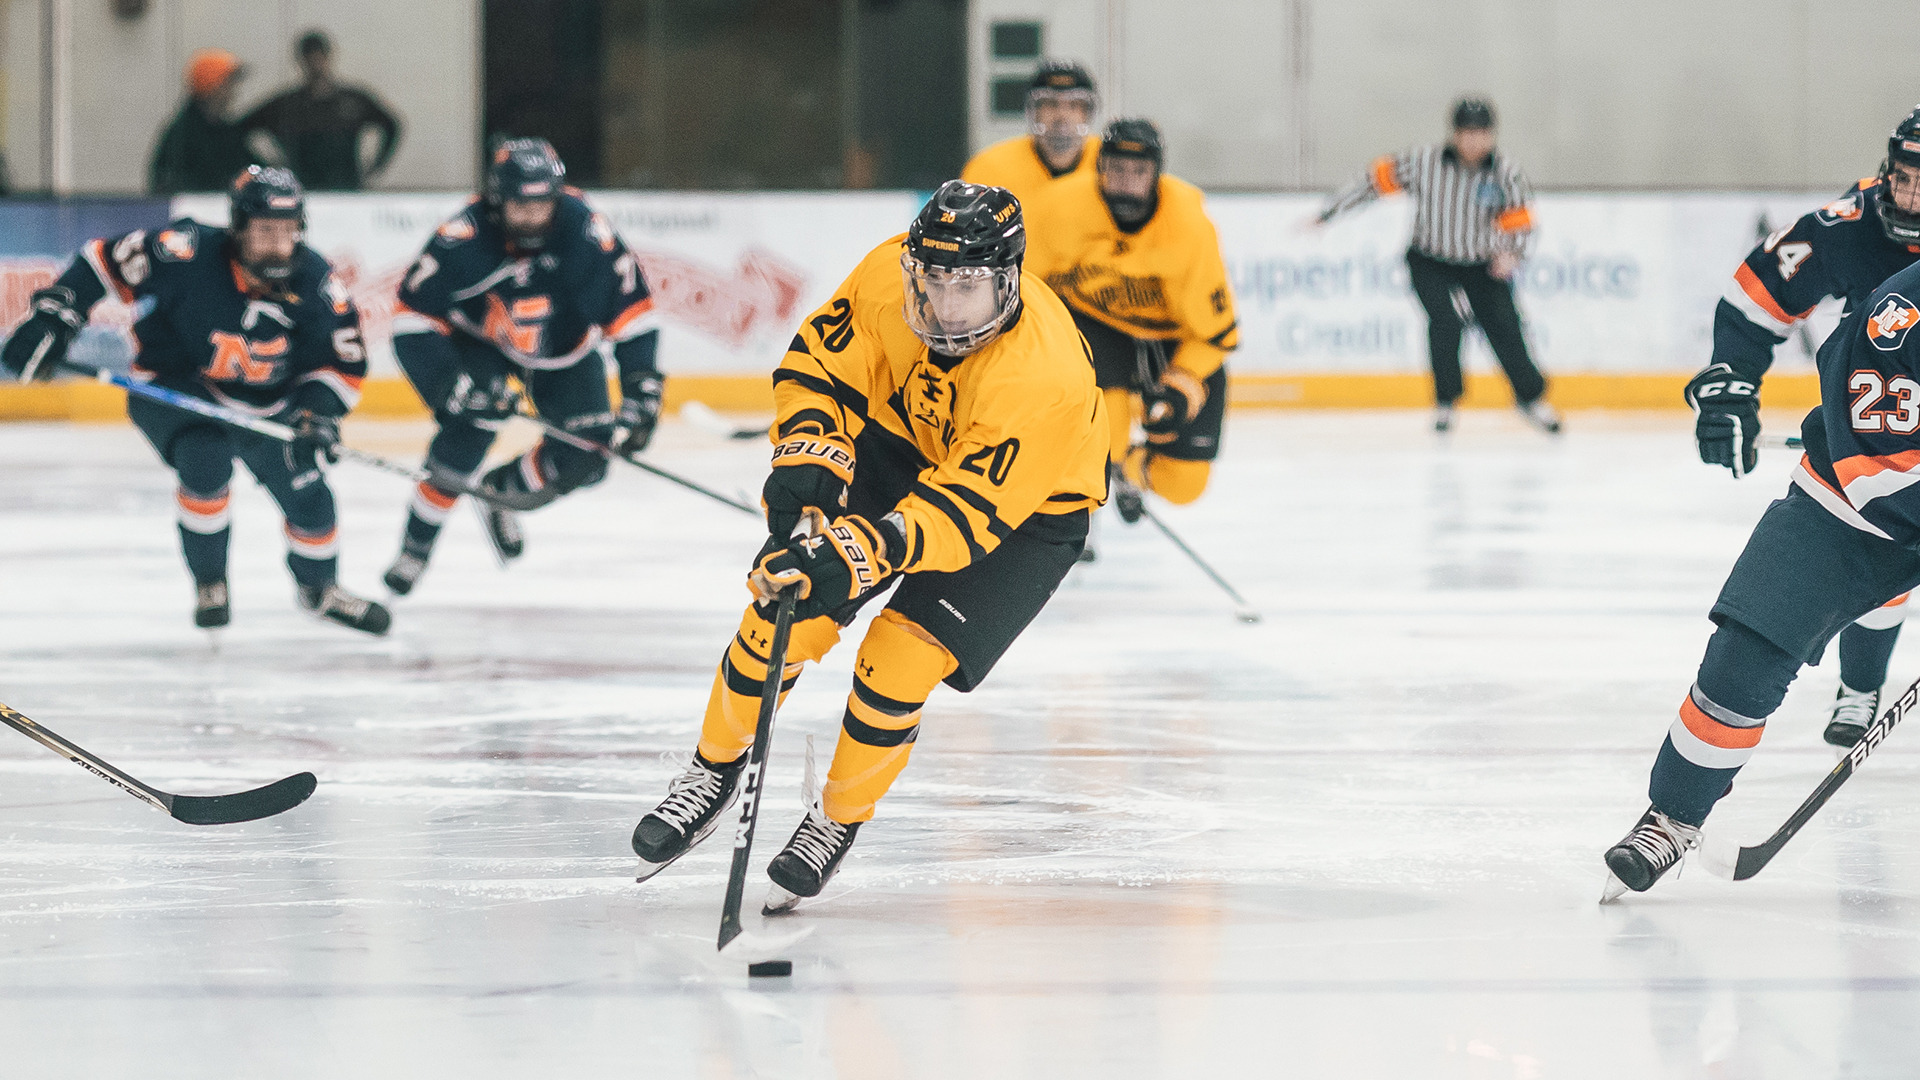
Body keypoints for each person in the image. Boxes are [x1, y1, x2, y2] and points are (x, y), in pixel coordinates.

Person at [627, 181, 1108, 913]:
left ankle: (837, 820)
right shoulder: (888, 274)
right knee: (782, 607)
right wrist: (808, 464)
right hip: (907, 442)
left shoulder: (1044, 379)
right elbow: (821, 369)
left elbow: (958, 519)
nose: (944, 306)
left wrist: (857, 549)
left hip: (1029, 510)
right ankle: (711, 770)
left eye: (968, 286)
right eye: (934, 279)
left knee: (901, 656)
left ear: (1006, 282)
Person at [1600, 165, 1920, 901]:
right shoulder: (1895, 314)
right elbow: (1878, 473)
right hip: (1851, 503)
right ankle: (1674, 817)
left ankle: (1860, 688)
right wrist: (1731, 380)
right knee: (1745, 659)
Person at [0, 166, 387, 634]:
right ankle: (210, 582)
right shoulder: (186, 252)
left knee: (312, 497)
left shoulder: (318, 284)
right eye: (265, 230)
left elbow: (340, 363)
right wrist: (55, 312)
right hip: (178, 387)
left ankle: (320, 590)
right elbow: (103, 261)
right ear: (239, 227)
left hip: (270, 405)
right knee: (205, 461)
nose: (278, 244)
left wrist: (317, 414)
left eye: (288, 231)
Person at [1685, 106, 1920, 749]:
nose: (1911, 194)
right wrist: (1730, 386)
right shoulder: (1845, 227)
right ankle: (1861, 684)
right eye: (1904, 177)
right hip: (1885, 420)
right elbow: (1754, 299)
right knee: (1876, 530)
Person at [382, 137, 661, 594]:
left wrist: (642, 390)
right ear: (497, 200)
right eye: (520, 206)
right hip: (482, 344)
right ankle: (414, 549)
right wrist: (449, 385)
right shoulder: (461, 239)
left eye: (543, 205)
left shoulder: (588, 233)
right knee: (465, 439)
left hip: (564, 349)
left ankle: (499, 494)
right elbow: (411, 322)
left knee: (588, 457)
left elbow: (633, 314)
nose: (533, 217)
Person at [1024, 118, 1238, 522]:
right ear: (1099, 167)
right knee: (1108, 431)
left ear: (1157, 175)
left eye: (1138, 172)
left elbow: (1214, 335)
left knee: (1184, 485)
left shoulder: (1189, 226)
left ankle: (1128, 470)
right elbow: (1023, 290)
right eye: (1117, 169)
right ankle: (1101, 471)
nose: (1126, 182)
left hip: (1173, 339)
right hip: (1094, 324)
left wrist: (1180, 386)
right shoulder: (1057, 208)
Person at [1318, 97, 1559, 434]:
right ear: (1455, 134)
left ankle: (1530, 398)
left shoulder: (1506, 172)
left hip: (1481, 263)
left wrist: (1512, 254)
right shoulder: (1423, 162)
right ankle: (1446, 401)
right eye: (1466, 132)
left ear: (1491, 135)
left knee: (1505, 326)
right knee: (1446, 321)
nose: (1474, 140)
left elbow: (1521, 220)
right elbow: (1373, 182)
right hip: (1430, 259)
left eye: (1481, 133)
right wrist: (1328, 212)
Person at [240, 30, 401, 191]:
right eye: (310, 58)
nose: (315, 63)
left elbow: (391, 125)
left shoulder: (352, 100)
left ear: (328, 56)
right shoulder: (286, 105)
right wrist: (267, 167)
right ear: (301, 61)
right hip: (303, 188)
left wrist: (377, 165)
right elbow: (241, 129)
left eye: (319, 57)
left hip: (346, 187)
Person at [960, 60, 1101, 210]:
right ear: (1033, 112)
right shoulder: (989, 168)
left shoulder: (1110, 163)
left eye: (1074, 106)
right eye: (1050, 104)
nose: (1062, 116)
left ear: (1088, 113)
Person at [149, 49, 258, 194]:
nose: (234, 93)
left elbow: (252, 168)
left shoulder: (226, 131)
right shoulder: (183, 133)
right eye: (229, 85)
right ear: (213, 87)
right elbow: (165, 182)